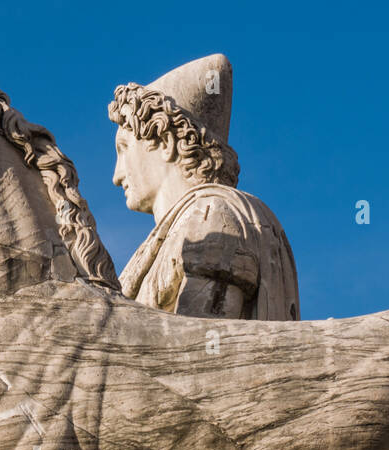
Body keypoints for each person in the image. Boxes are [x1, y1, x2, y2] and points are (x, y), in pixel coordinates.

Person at [109, 54, 299, 321]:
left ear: (165, 143)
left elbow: (198, 350)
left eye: (124, 149)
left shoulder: (211, 215)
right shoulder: (188, 224)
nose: (117, 175)